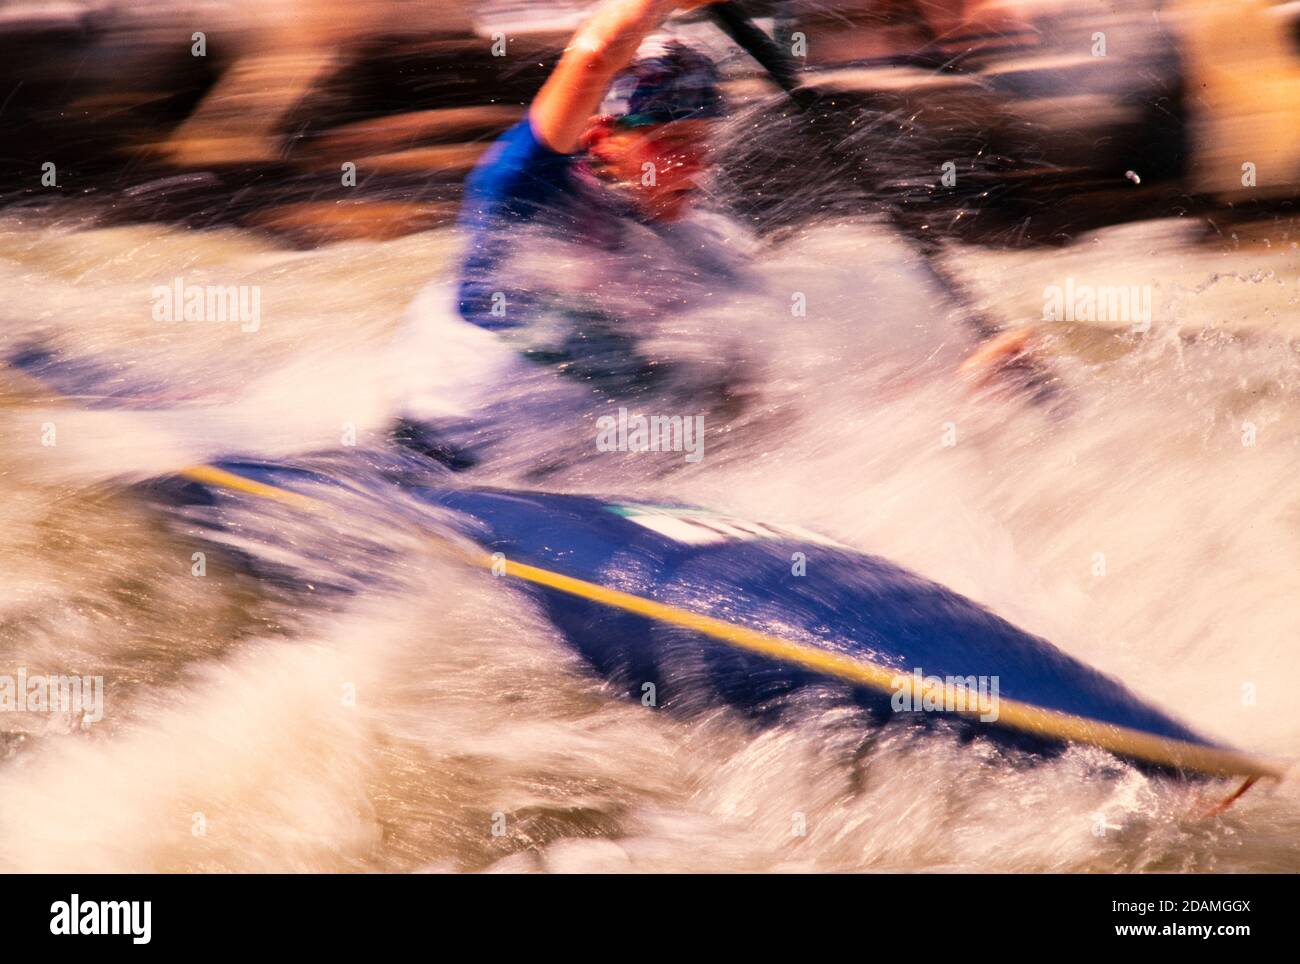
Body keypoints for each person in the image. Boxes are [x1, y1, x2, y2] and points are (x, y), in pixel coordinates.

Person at [393, 0, 751, 466]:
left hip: (583, 470)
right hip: (442, 460)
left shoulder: (697, 243)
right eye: (675, 142)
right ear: (602, 139)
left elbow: (758, 349)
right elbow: (592, 59)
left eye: (704, 143)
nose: (699, 165)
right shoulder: (525, 191)